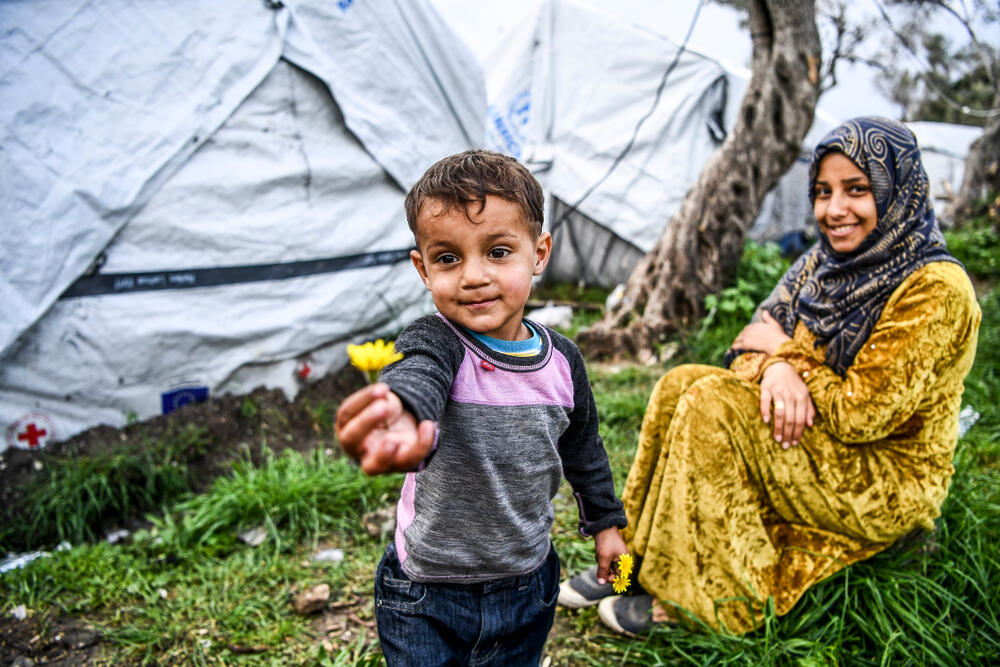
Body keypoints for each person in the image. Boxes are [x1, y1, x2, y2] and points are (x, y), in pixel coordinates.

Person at [557, 116, 981, 636]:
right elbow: (746, 346)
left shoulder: (936, 288)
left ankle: (714, 602)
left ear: (900, 192)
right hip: (817, 436)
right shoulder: (819, 265)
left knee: (713, 407)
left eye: (858, 190)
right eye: (823, 192)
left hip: (884, 475)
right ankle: (631, 565)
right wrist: (778, 364)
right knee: (680, 384)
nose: (834, 210)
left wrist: (784, 354)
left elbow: (860, 415)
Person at [334, 150, 629, 665]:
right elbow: (418, 375)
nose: (472, 276)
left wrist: (607, 527)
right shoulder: (436, 340)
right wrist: (403, 411)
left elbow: (583, 449)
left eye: (497, 251)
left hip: (527, 584)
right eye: (448, 258)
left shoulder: (563, 363)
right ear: (422, 268)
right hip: (425, 595)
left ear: (538, 254)